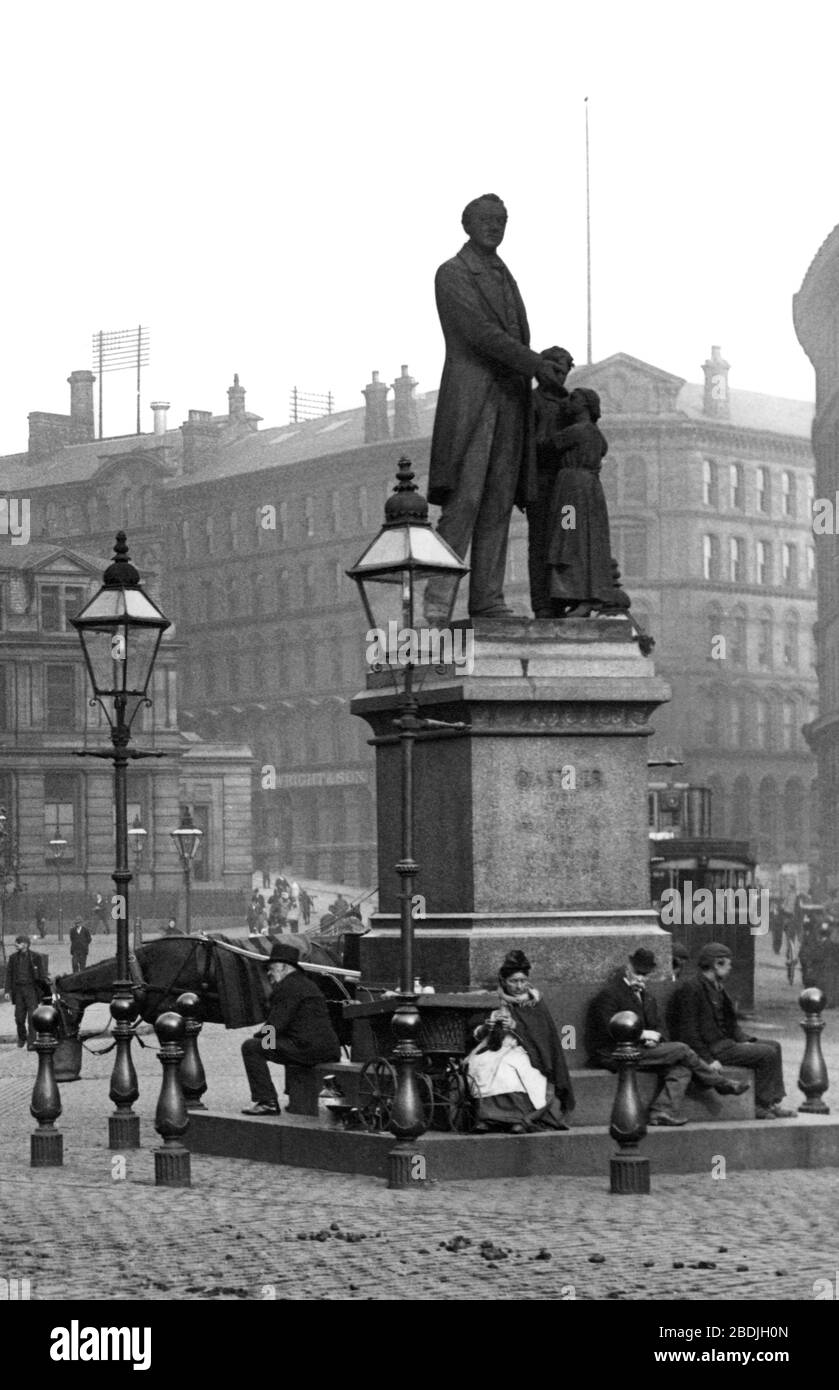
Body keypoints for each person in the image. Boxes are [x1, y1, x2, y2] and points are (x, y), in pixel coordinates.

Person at [424, 193, 570, 620]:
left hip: (510, 399)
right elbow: (480, 334)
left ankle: (488, 600)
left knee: (498, 504)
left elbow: (508, 337)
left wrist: (540, 364)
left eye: (502, 220)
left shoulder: (505, 276)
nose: (495, 226)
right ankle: (437, 603)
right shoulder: (451, 274)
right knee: (464, 502)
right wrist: (535, 364)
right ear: (467, 225)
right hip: (474, 400)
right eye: (487, 220)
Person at [587, 947, 750, 1126]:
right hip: (614, 1052)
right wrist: (641, 1034)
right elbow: (607, 1028)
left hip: (641, 1051)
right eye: (638, 972)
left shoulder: (647, 997)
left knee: (682, 1069)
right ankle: (721, 1084)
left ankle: (661, 1112)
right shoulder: (610, 994)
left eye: (646, 974)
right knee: (681, 1049)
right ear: (628, 968)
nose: (641, 978)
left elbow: (658, 1027)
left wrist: (655, 1038)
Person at [670, 941, 795, 1119]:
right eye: (727, 964)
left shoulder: (717, 988)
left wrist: (745, 1040)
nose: (730, 969)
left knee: (774, 1046)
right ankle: (759, 1105)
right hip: (714, 1048)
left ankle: (772, 1102)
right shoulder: (692, 988)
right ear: (716, 964)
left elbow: (731, 1024)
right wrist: (707, 1059)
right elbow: (688, 1031)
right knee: (766, 1054)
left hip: (726, 1044)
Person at [465, 949, 574, 1132]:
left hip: (527, 1051)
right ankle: (487, 1117)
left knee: (509, 1067)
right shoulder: (493, 1000)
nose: (518, 986)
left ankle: (519, 1118)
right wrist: (489, 1026)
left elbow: (542, 1037)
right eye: (513, 981)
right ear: (504, 982)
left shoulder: (534, 1003)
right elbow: (477, 1031)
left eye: (522, 981)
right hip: (496, 1047)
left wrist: (515, 1027)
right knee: (480, 1063)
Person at [541, 387, 618, 616]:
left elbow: (546, 446)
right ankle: (586, 595)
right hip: (591, 492)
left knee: (568, 537)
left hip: (571, 492)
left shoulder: (576, 431)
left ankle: (571, 592)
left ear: (585, 405)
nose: (568, 403)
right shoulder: (597, 435)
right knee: (588, 540)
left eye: (573, 399)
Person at [240, 942, 342, 1115]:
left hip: (309, 1050)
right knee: (284, 1043)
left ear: (283, 968)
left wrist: (259, 1040)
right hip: (327, 1048)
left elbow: (275, 1026)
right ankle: (291, 1094)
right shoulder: (305, 984)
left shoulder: (287, 987)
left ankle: (266, 1101)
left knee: (251, 1047)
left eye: (271, 969)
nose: (269, 974)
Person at [4, 935, 51, 1047]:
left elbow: (42, 975)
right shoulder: (13, 958)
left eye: (17, 943)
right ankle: (22, 1038)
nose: (15, 945)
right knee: (19, 1018)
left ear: (25, 944)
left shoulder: (36, 957)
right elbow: (9, 975)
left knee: (32, 1017)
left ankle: (32, 1041)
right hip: (18, 991)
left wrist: (44, 991)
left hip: (31, 990)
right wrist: (7, 991)